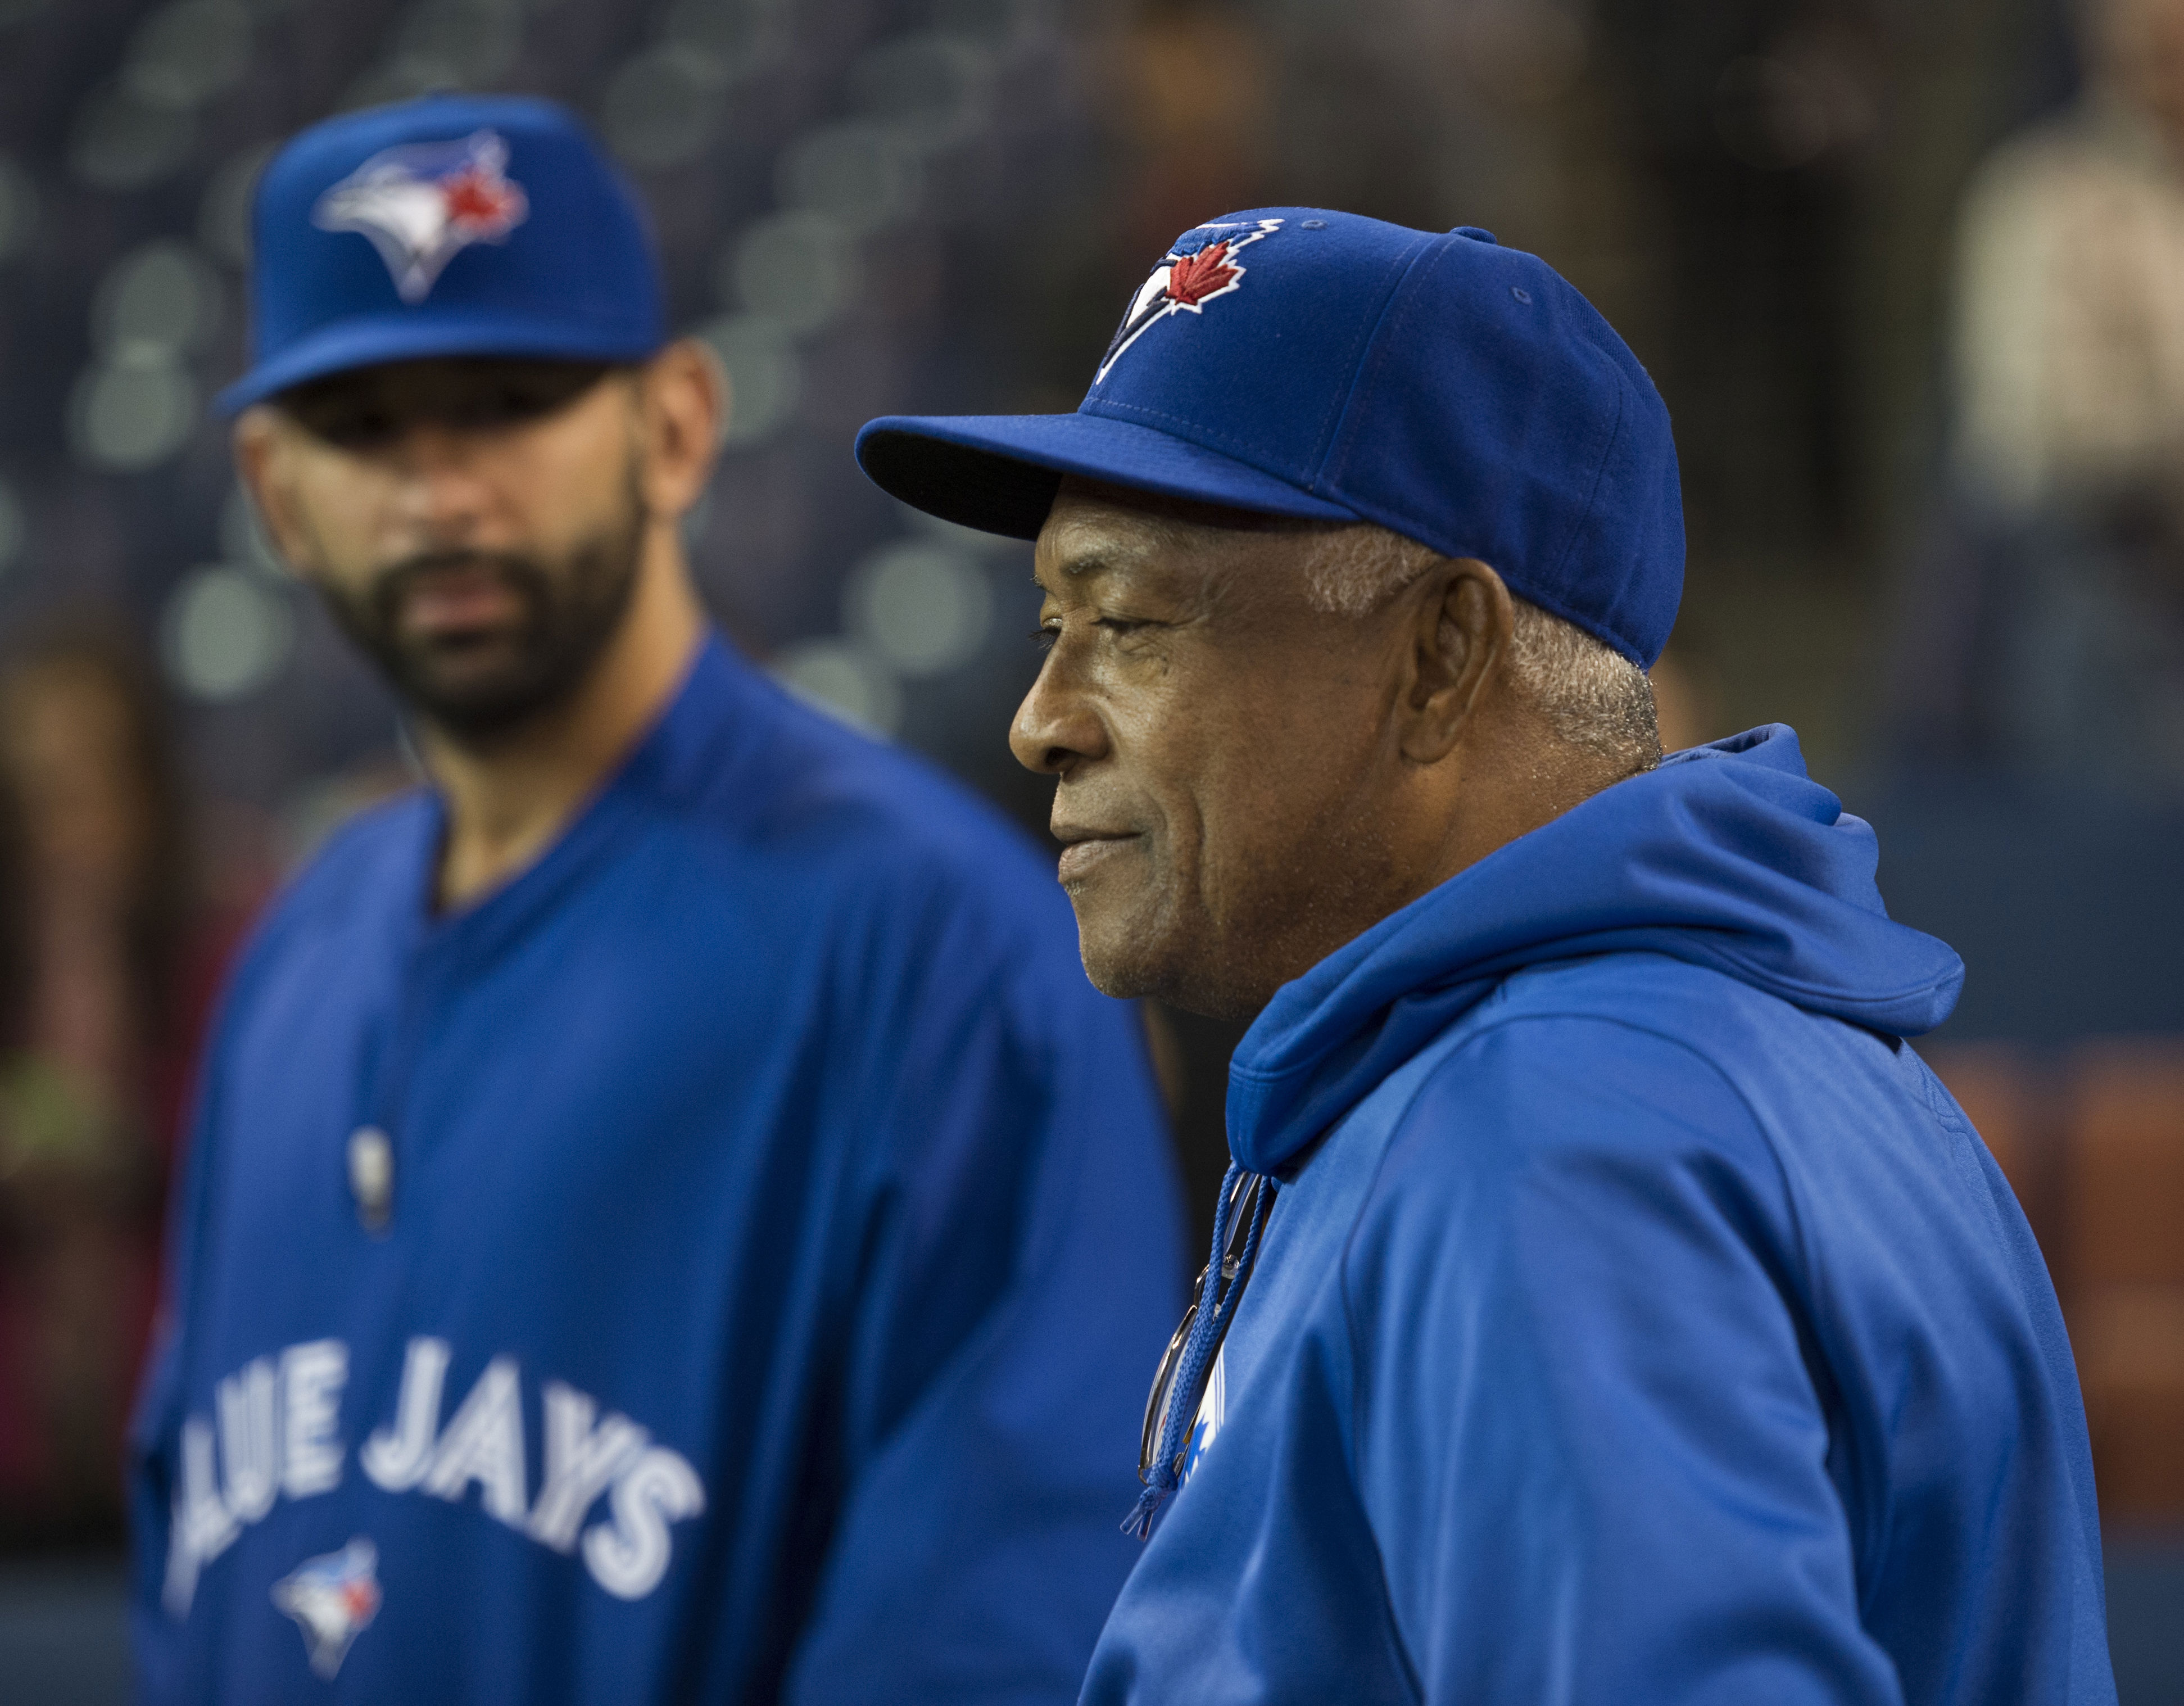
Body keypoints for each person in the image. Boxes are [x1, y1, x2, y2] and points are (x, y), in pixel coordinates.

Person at [855, 211, 2117, 1701]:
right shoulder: (1727, 1060)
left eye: (1129, 622)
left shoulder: (1548, 1136)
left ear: (1444, 654)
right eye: (1052, 621)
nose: (1041, 715)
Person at [129, 95, 1183, 1703]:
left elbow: (996, 1639)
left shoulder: (932, 946)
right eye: (365, 427)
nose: (440, 489)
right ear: (274, 491)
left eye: (511, 399)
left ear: (677, 426)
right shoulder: (294, 961)